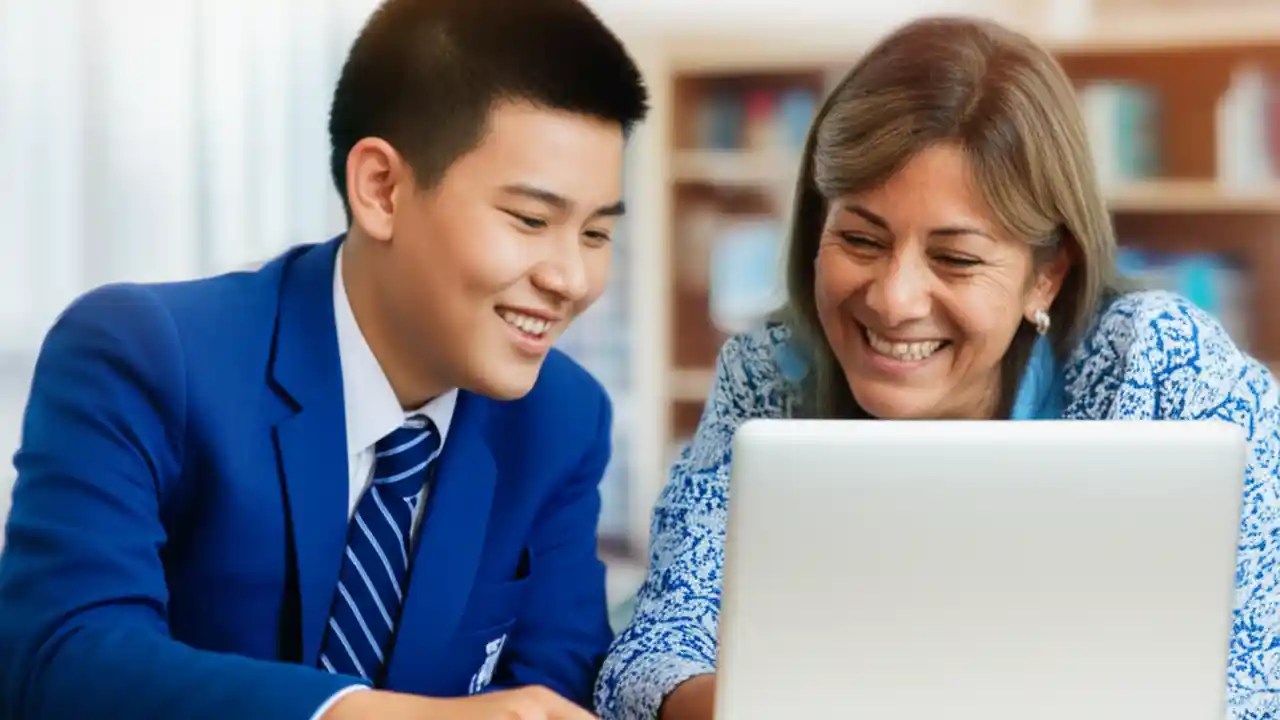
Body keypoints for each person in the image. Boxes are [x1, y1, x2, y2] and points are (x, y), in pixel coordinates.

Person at [595, 16, 1280, 720]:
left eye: (955, 258)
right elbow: (652, 652)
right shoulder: (772, 373)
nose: (893, 299)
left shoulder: (1168, 371)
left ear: (1046, 276)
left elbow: (1261, 684)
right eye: (860, 239)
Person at [0, 1, 647, 719]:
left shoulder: (560, 417)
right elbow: (61, 660)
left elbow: (555, 686)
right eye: (531, 220)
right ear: (381, 189)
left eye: (594, 234)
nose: (572, 279)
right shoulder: (143, 355)